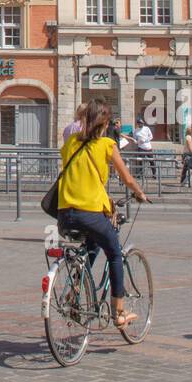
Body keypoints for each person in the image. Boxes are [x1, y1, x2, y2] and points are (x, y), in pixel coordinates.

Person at [57, 97, 149, 330]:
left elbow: (81, 177)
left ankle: (74, 291)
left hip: (64, 214)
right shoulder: (106, 145)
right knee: (115, 254)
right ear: (105, 124)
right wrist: (139, 193)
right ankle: (119, 312)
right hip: (89, 213)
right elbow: (127, 178)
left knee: (91, 247)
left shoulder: (70, 145)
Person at [133, 115, 156, 182]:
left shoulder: (147, 128)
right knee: (140, 161)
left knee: (152, 161)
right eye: (140, 123)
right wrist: (135, 141)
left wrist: (145, 140)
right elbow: (134, 138)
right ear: (138, 124)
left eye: (142, 123)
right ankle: (140, 175)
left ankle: (154, 174)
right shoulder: (136, 130)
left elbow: (151, 136)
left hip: (148, 148)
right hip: (141, 148)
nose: (142, 124)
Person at [179, 124, 192, 190]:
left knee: (185, 169)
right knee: (189, 169)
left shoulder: (187, 136)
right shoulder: (189, 137)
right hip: (188, 154)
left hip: (186, 154)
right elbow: (190, 147)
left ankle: (183, 182)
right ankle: (186, 182)